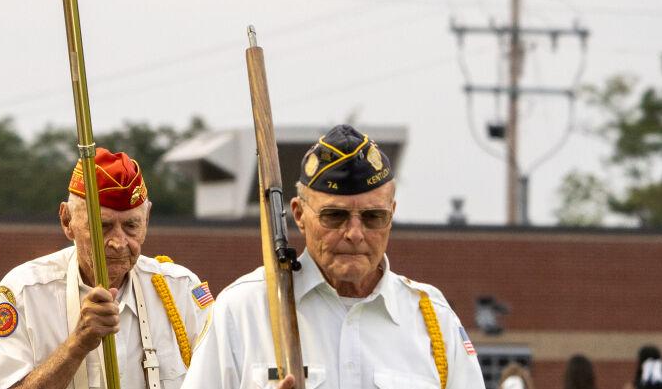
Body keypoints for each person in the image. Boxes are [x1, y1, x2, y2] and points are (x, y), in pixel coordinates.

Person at [185, 124, 486, 389]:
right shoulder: (243, 311)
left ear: (391, 216)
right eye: (335, 216)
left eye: (372, 217)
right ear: (299, 215)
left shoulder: (432, 321)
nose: (354, 233)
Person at [0, 147, 212, 389]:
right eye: (103, 226)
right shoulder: (25, 292)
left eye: (131, 226)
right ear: (67, 221)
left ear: (147, 219)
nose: (118, 243)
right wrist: (77, 345)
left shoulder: (181, 290)